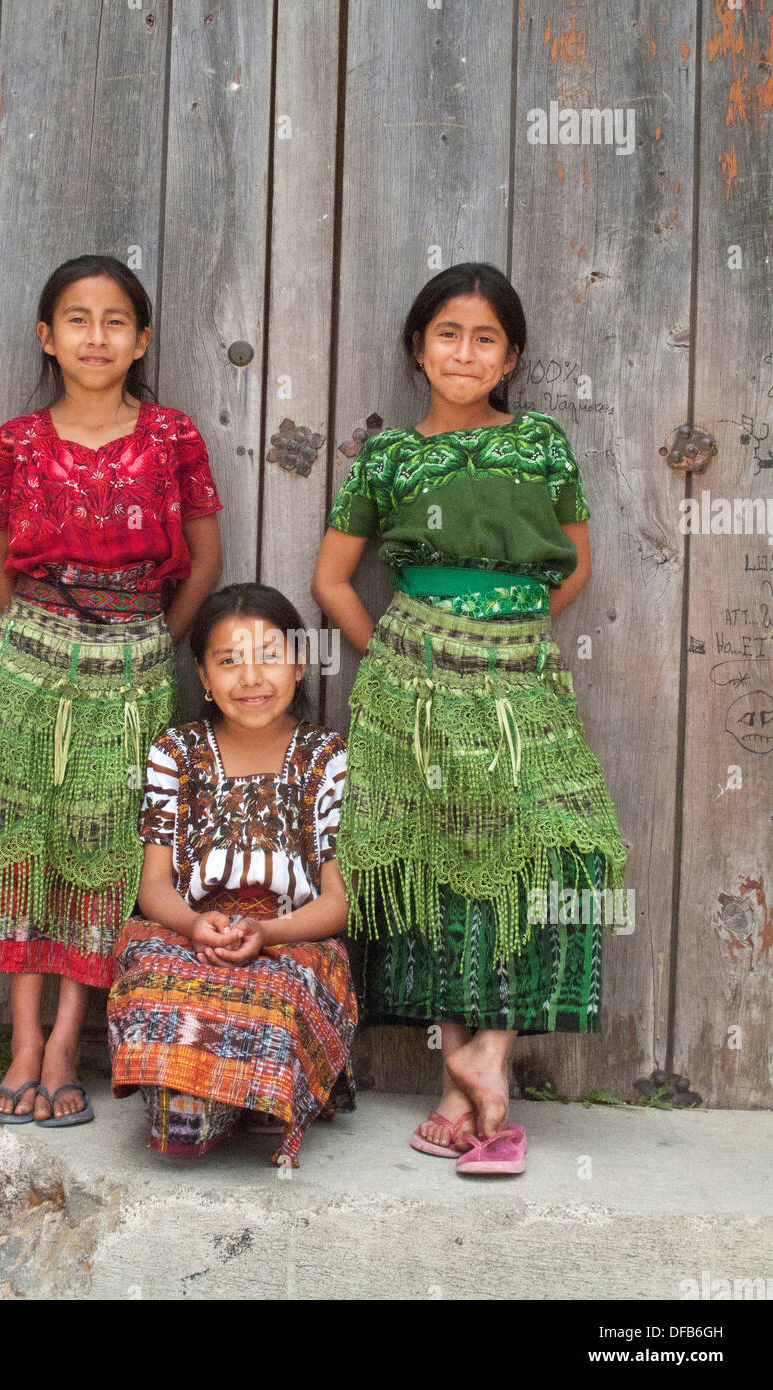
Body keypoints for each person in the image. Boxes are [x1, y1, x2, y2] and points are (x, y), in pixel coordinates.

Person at [312, 263, 628, 1175]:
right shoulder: (388, 460)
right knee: (436, 865)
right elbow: (334, 579)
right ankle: (461, 1081)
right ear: (418, 348)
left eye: (485, 337)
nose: (464, 351)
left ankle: (491, 1050)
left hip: (518, 682)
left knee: (551, 847)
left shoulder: (541, 443)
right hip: (410, 693)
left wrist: (506, 639)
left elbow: (573, 564)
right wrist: (406, 650)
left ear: (512, 355)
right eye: (447, 333)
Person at [0, 254, 222, 1127]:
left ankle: (65, 1048)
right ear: (48, 338)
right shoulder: (15, 443)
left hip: (131, 672)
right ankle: (21, 1041)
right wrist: (48, 644)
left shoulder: (172, 438)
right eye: (78, 320)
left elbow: (202, 563)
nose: (97, 336)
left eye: (116, 320)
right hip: (27, 670)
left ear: (142, 339)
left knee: (102, 854)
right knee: (19, 852)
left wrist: (149, 646)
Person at [107, 584, 356, 1166]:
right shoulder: (176, 752)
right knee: (150, 976)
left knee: (281, 992)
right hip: (191, 930)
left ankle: (257, 1095)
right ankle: (205, 1101)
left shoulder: (326, 758)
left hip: (290, 937)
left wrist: (267, 934)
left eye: (270, 656)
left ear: (298, 666)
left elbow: (336, 904)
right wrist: (195, 927)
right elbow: (154, 889)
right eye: (228, 661)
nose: (251, 678)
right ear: (202, 675)